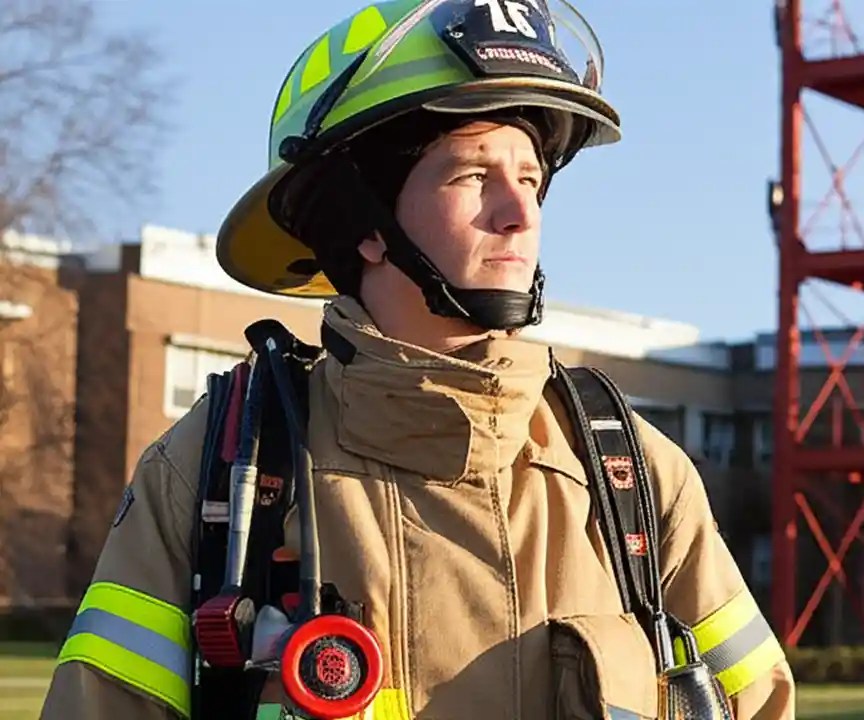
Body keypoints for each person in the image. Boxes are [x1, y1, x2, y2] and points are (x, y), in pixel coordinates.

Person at [40, 1, 796, 718]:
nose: (520, 213)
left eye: (530, 177)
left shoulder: (637, 478)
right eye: (474, 175)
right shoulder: (218, 474)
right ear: (360, 219)